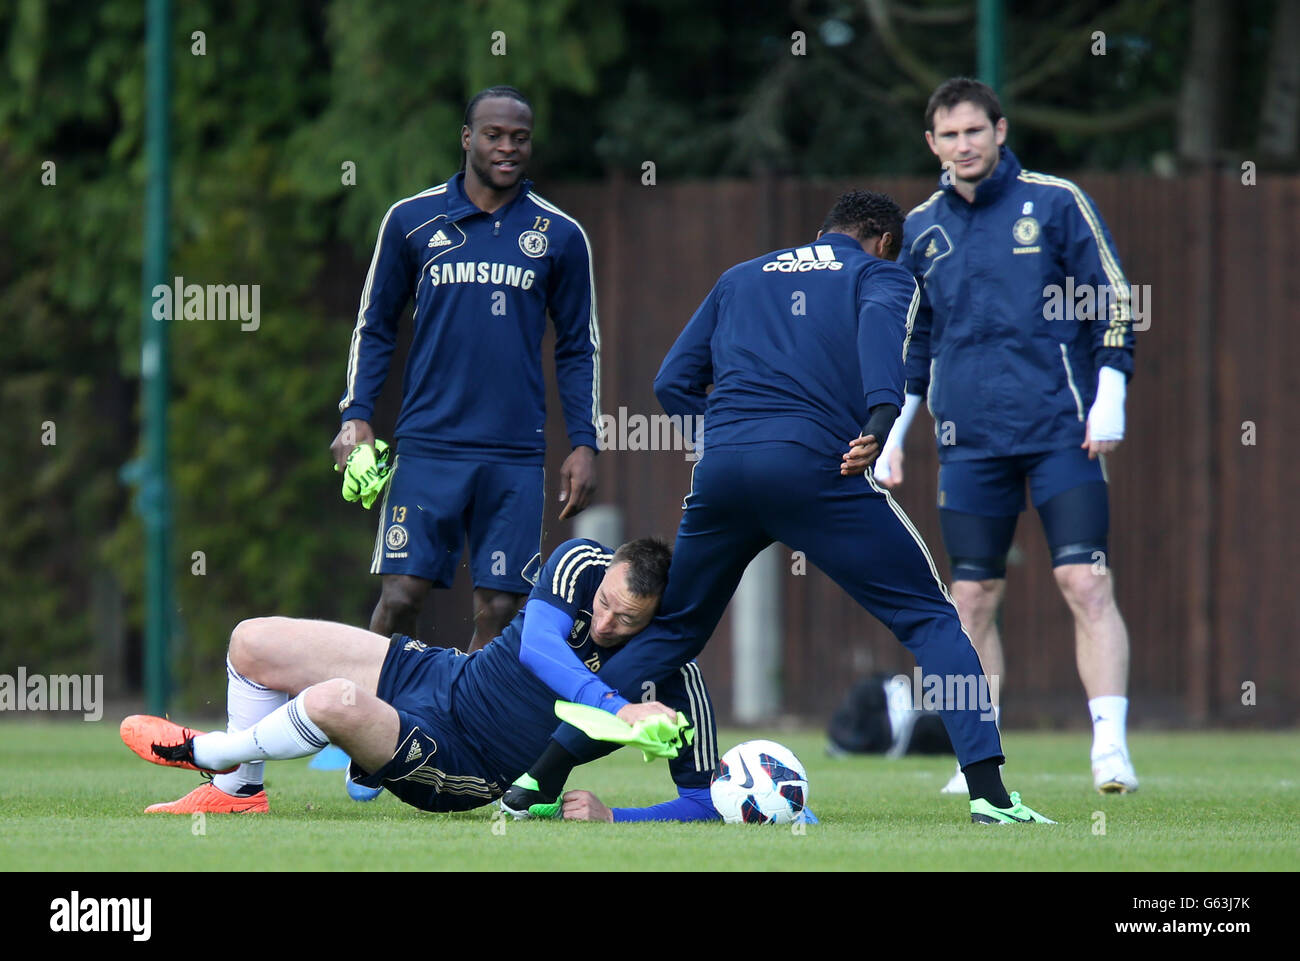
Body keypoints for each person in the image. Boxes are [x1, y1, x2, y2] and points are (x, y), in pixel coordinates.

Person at [502, 190, 1054, 826]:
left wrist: (725, 437)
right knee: (931, 619)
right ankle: (990, 797)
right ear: (883, 239)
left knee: (675, 632)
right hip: (818, 468)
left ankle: (536, 783)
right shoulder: (880, 272)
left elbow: (671, 381)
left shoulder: (742, 275)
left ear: (823, 232)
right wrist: (879, 417)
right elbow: (883, 342)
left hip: (724, 475)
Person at [873, 77, 1138, 795]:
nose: (963, 144)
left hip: (1062, 430)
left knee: (1084, 580)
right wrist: (892, 432)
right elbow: (911, 344)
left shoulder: (1054, 203)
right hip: (969, 441)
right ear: (932, 143)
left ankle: (1109, 748)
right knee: (970, 601)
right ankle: (978, 756)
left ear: (1000, 130)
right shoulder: (921, 229)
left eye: (974, 131)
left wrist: (1109, 391)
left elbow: (1111, 301)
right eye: (949, 134)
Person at [120, 538, 720, 824]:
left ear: (658, 618)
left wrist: (619, 818)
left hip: (466, 763)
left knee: (332, 702)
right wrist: (614, 708)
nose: (608, 621)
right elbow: (538, 645)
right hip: (443, 675)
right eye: (607, 603)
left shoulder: (672, 677)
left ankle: (204, 752)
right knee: (252, 640)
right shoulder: (581, 564)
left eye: (628, 619)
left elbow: (704, 802)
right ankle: (237, 792)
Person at [330, 85, 601, 654]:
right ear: (467, 139)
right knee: (402, 595)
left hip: (514, 451)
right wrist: (356, 415)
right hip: (430, 444)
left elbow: (579, 346)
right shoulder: (412, 220)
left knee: (501, 611)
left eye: (520, 138)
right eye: (494, 135)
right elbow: (374, 326)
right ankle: (360, 732)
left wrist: (584, 442)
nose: (507, 148)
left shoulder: (561, 235)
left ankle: (463, 738)